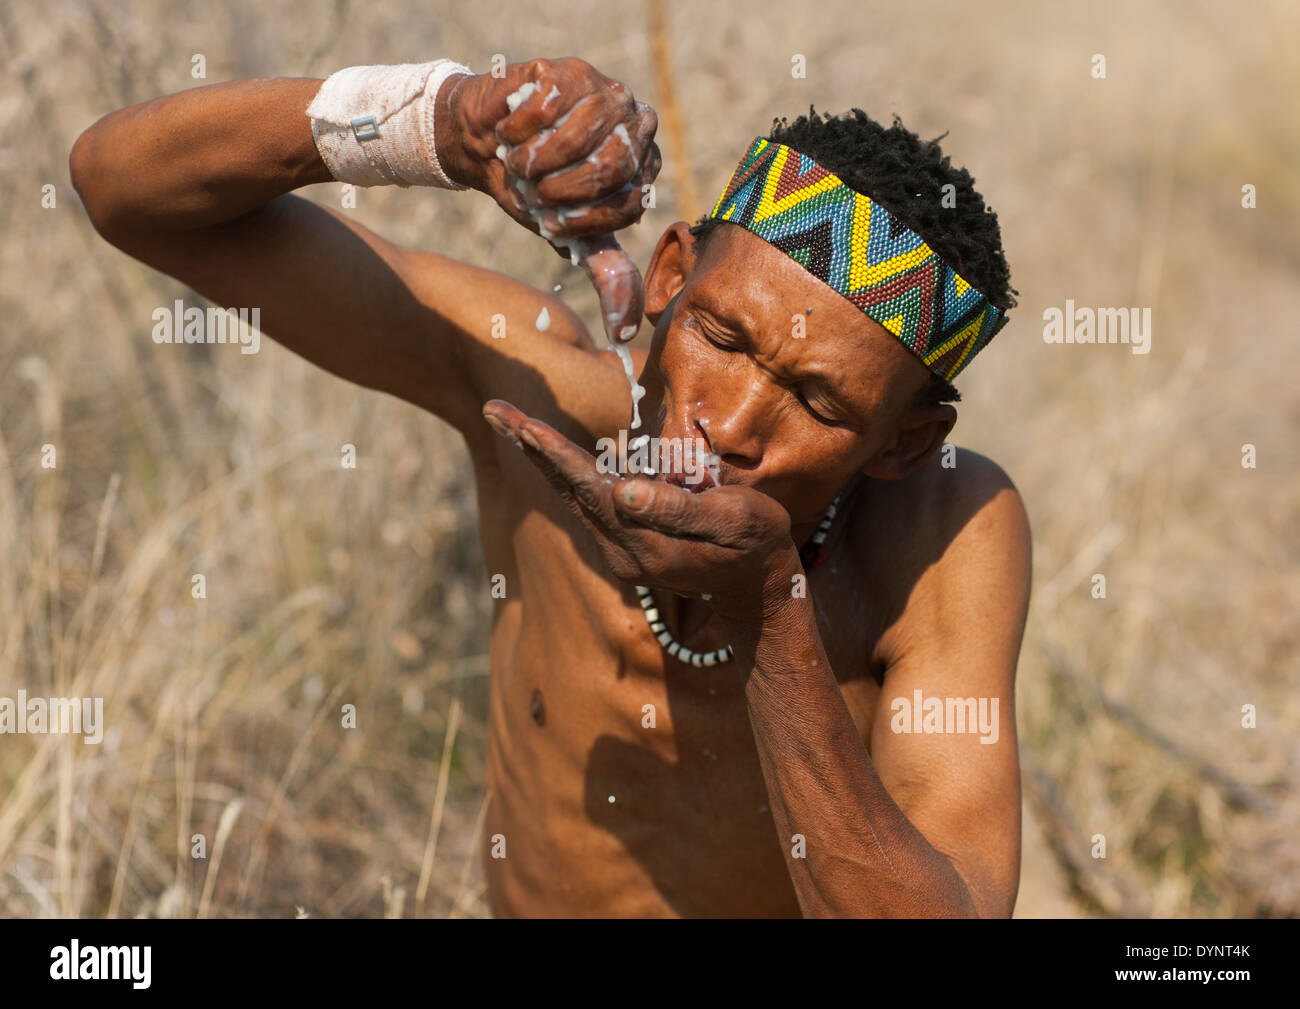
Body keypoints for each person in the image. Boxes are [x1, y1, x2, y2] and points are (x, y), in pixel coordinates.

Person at [70, 55, 1031, 917]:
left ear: (904, 441)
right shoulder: (540, 384)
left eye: (819, 405)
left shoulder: (944, 535)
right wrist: (437, 124)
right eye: (721, 339)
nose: (730, 426)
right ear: (669, 277)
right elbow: (122, 189)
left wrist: (774, 608)